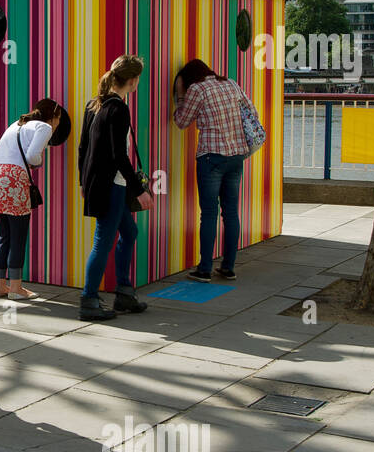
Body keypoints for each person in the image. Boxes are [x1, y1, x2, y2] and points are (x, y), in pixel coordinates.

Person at [78, 55, 153, 320]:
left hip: (102, 184)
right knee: (103, 242)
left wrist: (82, 182)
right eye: (138, 79)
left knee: (129, 232)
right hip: (112, 186)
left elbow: (83, 148)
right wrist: (140, 190)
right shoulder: (118, 109)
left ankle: (123, 293)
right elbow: (118, 156)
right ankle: (88, 300)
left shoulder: (94, 105)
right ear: (133, 81)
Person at [171, 58, 251, 281]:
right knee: (231, 212)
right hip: (236, 156)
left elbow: (181, 121)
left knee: (208, 213)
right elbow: (250, 111)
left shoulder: (196, 89)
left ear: (188, 79)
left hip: (211, 157)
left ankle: (205, 268)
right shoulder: (230, 83)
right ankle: (228, 267)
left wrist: (180, 95)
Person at [0, 98, 71, 300]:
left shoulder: (17, 124)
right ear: (55, 116)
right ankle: (16, 289)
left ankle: (0, 286)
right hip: (13, 177)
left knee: (4, 235)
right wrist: (38, 162)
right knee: (18, 236)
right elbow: (32, 157)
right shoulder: (45, 127)